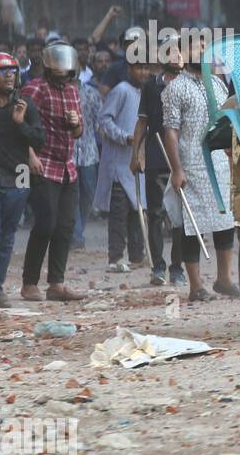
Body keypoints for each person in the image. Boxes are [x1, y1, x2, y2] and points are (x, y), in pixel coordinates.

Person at [161, 34, 239, 303]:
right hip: (191, 162)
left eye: (205, 45)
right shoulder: (175, 88)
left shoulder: (217, 83)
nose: (203, 49)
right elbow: (170, 131)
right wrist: (176, 169)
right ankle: (195, 286)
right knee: (192, 227)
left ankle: (224, 278)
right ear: (182, 52)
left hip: (219, 161)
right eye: (196, 45)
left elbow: (228, 121)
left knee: (225, 219)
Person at [0, 53, 44, 308]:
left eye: (12, 72)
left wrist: (20, 124)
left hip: (20, 176)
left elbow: (39, 140)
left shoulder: (26, 105)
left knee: (8, 233)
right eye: (2, 72)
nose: (9, 76)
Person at [20, 40, 87, 302]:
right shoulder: (34, 89)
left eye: (65, 67)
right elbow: (19, 125)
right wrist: (30, 155)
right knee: (45, 224)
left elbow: (79, 131)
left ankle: (56, 284)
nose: (61, 71)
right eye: (57, 66)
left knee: (65, 227)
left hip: (68, 167)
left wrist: (75, 124)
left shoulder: (73, 91)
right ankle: (29, 283)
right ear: (48, 66)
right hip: (43, 165)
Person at [131, 46, 185, 286]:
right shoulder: (152, 87)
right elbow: (142, 123)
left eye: (180, 52)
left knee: (181, 217)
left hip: (184, 159)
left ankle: (178, 268)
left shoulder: (190, 85)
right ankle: (158, 267)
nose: (177, 57)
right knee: (155, 213)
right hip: (156, 156)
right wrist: (136, 154)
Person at [95, 53, 151, 272]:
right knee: (119, 214)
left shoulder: (147, 93)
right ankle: (115, 258)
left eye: (147, 68)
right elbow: (103, 120)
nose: (144, 72)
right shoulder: (121, 91)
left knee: (138, 213)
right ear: (130, 68)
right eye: (139, 68)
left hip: (139, 163)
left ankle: (137, 256)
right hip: (119, 164)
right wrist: (125, 136)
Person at [72, 68, 103, 250]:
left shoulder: (91, 93)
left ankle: (78, 229)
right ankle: (76, 235)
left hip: (89, 152)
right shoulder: (58, 93)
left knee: (88, 193)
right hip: (67, 152)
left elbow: (100, 122)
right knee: (73, 195)